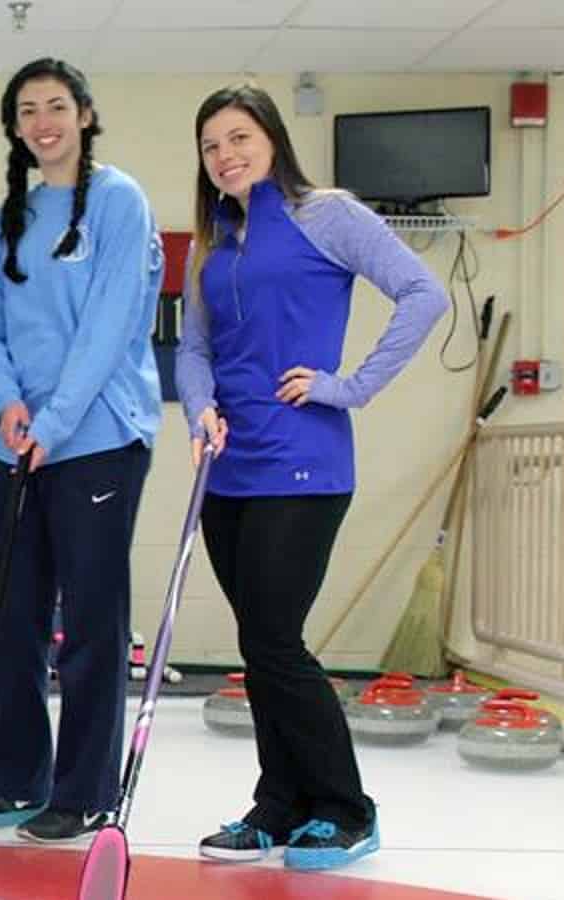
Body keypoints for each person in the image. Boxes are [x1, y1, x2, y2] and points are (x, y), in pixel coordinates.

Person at [178, 83, 446, 871]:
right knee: (260, 649)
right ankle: (277, 806)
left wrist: (349, 385)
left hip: (304, 465)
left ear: (270, 138)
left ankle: (344, 807)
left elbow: (423, 294)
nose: (225, 155)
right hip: (230, 473)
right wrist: (200, 410)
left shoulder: (325, 213)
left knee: (274, 640)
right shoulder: (212, 241)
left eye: (238, 137)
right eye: (210, 146)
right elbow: (195, 349)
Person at [0, 57, 164, 845]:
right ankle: (16, 779)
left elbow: (109, 327)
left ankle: (83, 791)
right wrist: (9, 407)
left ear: (84, 113)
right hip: (15, 444)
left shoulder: (119, 201)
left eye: (56, 106)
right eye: (27, 111)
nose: (43, 122)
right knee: (10, 621)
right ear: (15, 128)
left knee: (89, 624)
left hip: (99, 441)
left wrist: (52, 426)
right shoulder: (10, 215)